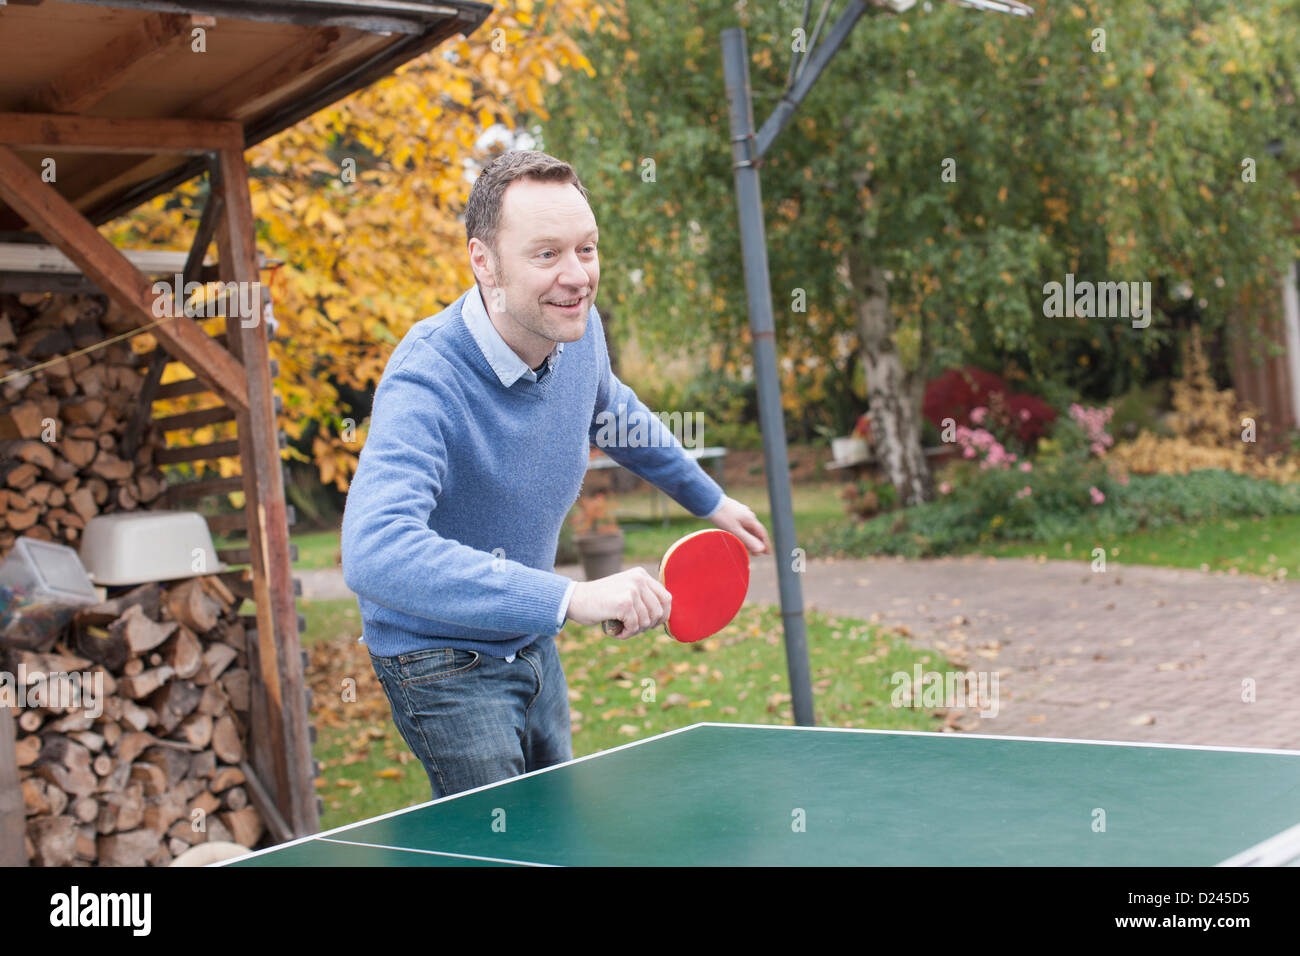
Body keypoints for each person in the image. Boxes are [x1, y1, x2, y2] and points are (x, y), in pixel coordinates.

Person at [341, 149, 771, 799]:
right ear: (483, 263)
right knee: (504, 843)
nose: (577, 275)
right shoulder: (426, 378)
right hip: (440, 659)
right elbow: (374, 552)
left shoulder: (578, 331)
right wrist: (570, 598)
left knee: (552, 823)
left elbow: (612, 410)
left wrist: (707, 498)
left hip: (531, 635)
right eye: (546, 254)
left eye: (588, 249)